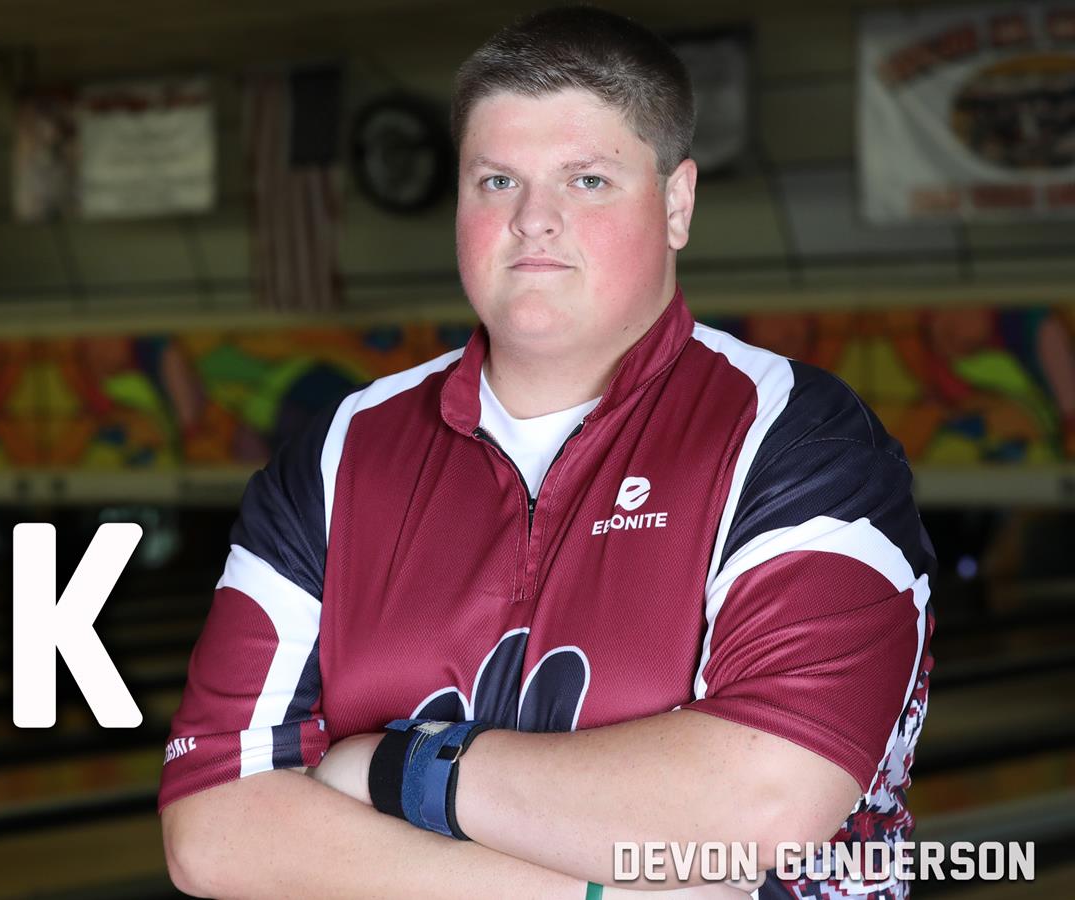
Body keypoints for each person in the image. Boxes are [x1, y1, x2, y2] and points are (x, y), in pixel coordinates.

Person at [159, 7, 935, 899]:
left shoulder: (799, 437)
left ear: (677, 203)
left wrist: (397, 770)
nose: (534, 220)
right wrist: (598, 893)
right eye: (496, 181)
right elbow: (212, 831)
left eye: (588, 180)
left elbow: (760, 801)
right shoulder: (339, 451)